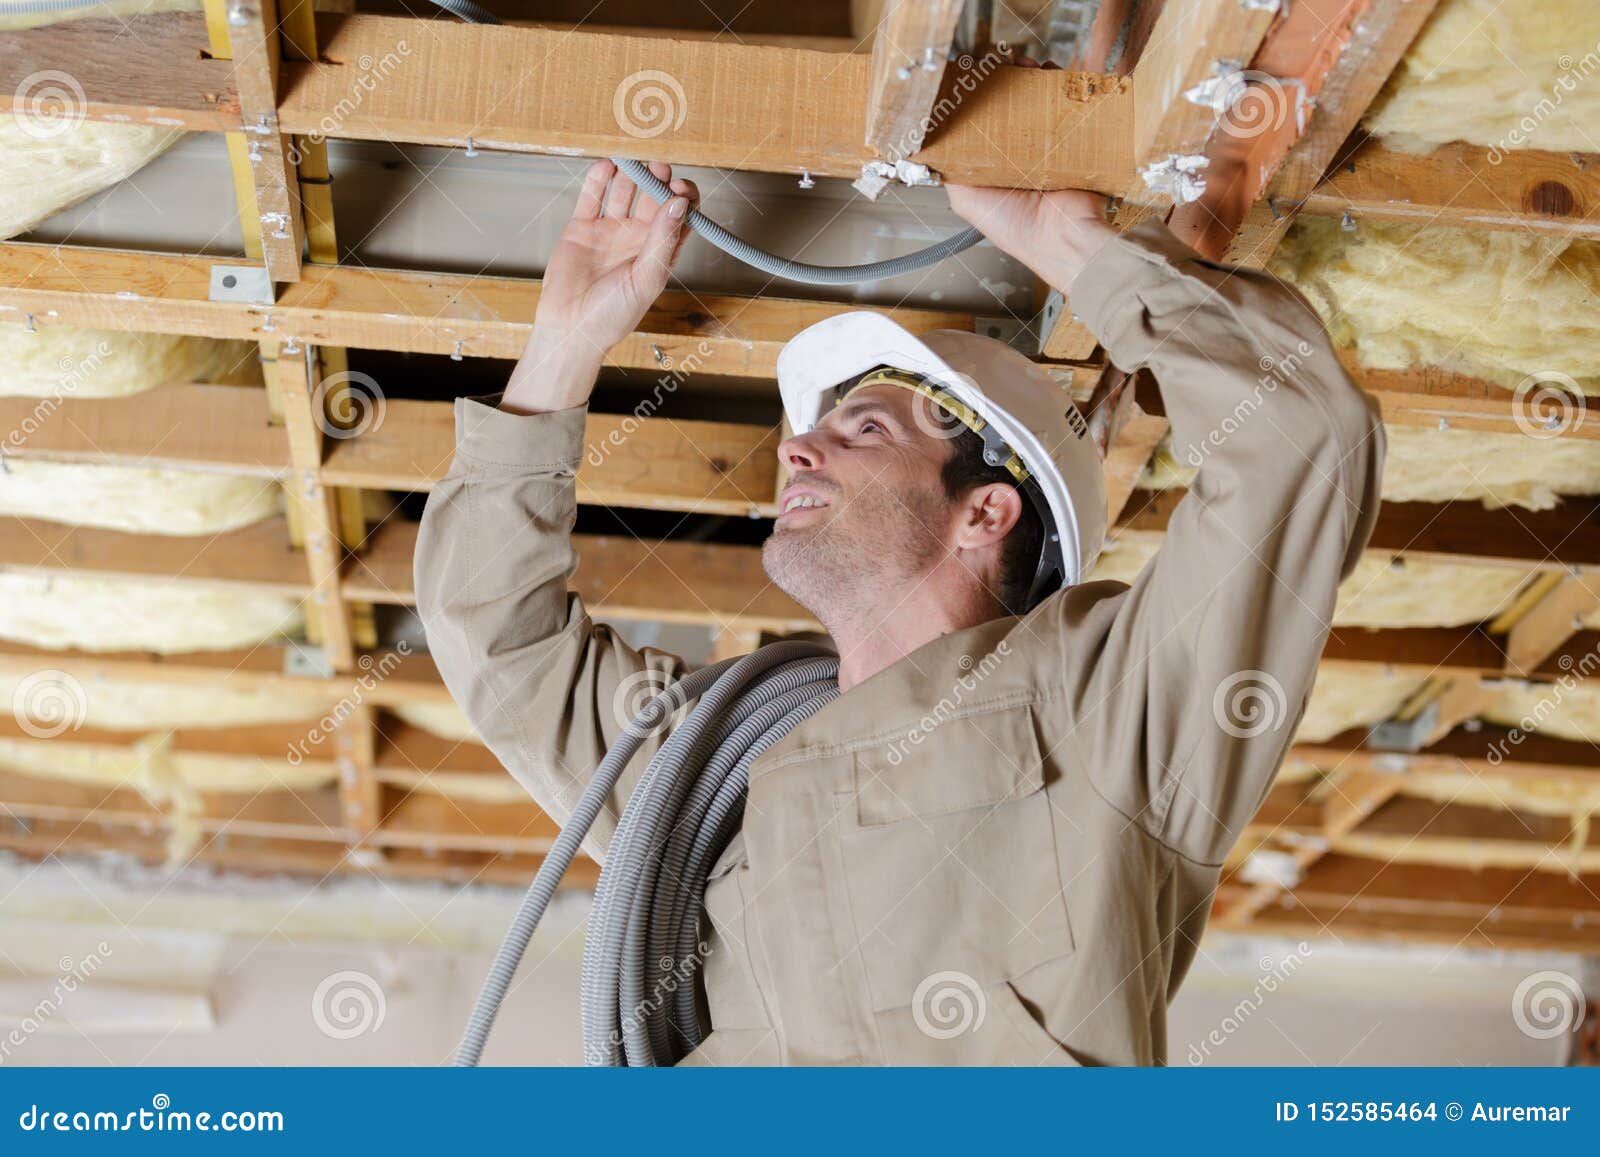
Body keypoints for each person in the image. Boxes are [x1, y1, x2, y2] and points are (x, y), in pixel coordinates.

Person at [415, 158, 1384, 1065]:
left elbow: (1298, 435)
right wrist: (563, 344)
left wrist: (1073, 246)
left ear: (985, 511)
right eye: (819, 430)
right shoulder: (716, 776)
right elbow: (499, 640)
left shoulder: (1107, 705)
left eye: (861, 428)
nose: (795, 450)